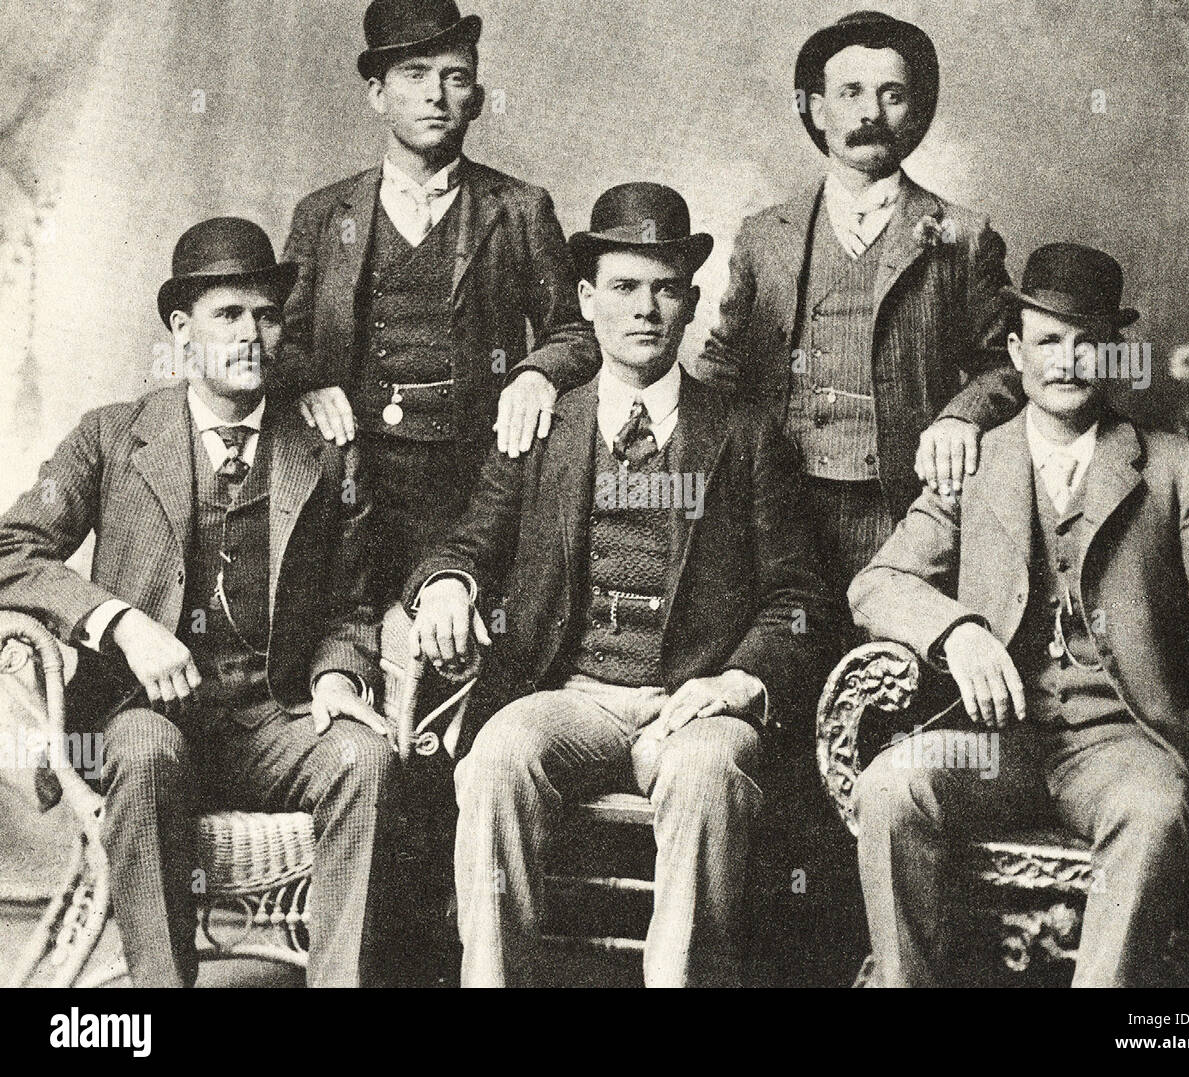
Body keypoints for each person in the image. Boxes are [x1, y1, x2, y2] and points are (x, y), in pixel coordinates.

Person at [408, 183, 833, 986]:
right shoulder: (542, 426)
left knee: (710, 770)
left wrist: (740, 679)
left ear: (693, 303)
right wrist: (448, 583)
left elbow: (801, 596)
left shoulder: (744, 436)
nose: (646, 309)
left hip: (689, 704)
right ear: (585, 298)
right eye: (624, 287)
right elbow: (467, 540)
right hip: (573, 695)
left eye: (667, 289)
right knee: (499, 754)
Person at [848, 242, 1189, 986]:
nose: (1067, 360)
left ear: (1115, 357)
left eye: (1087, 342)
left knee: (1156, 810)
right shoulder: (975, 465)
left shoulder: (1171, 467)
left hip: (1121, 744)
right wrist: (955, 631)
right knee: (892, 784)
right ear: (1017, 353)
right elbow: (879, 582)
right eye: (1049, 341)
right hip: (999, 743)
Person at [0, 218, 396, 987]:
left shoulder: (325, 447)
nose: (251, 335)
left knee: (364, 756)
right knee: (145, 750)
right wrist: (119, 623)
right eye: (228, 314)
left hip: (274, 718)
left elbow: (354, 602)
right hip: (145, 713)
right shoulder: (113, 437)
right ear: (182, 331)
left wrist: (338, 677)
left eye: (267, 314)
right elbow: (9, 549)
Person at [700, 10, 1022, 634]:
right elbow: (722, 365)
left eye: (891, 95)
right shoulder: (767, 235)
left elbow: (1009, 363)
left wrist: (961, 416)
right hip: (777, 506)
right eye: (850, 93)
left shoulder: (964, 236)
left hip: (902, 510)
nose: (869, 112)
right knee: (779, 664)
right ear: (818, 110)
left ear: (917, 112)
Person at [275, 0, 598, 601]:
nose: (437, 97)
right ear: (377, 93)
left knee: (461, 657)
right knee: (352, 647)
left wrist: (536, 376)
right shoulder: (323, 216)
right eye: (416, 75)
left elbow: (576, 334)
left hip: (479, 489)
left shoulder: (520, 208)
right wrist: (306, 384)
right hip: (349, 484)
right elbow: (279, 340)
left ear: (474, 97)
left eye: (455, 77)